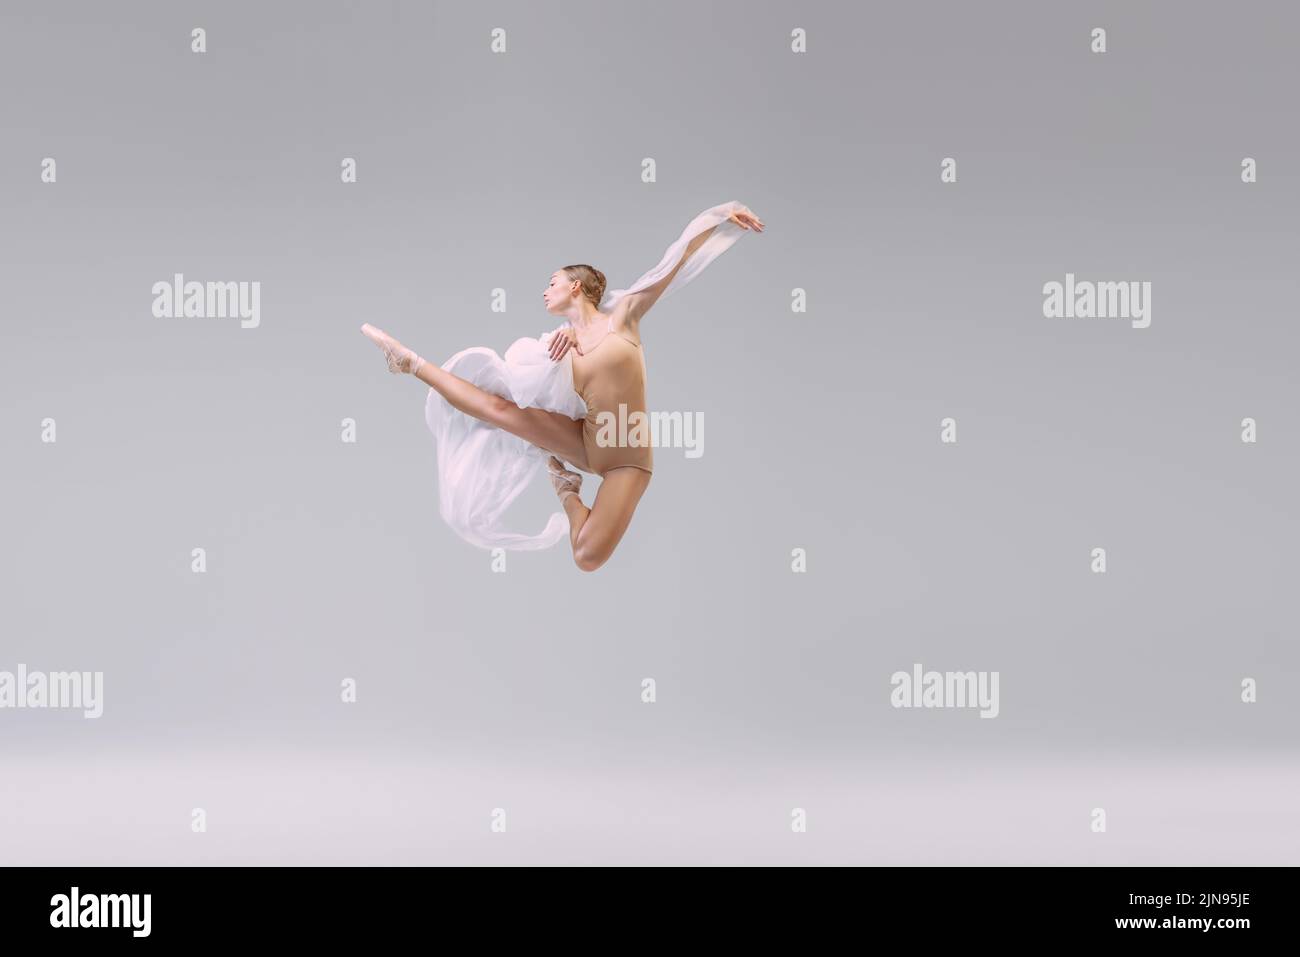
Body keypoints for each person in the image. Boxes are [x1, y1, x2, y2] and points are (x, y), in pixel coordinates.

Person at [361, 200, 764, 570]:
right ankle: (409, 361)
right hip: (586, 441)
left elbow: (670, 267)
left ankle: (565, 489)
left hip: (626, 458)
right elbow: (524, 387)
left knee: (585, 556)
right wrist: (570, 341)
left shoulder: (623, 316)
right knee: (499, 411)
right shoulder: (554, 345)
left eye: (551, 281)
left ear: (576, 285)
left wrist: (721, 216)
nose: (544, 290)